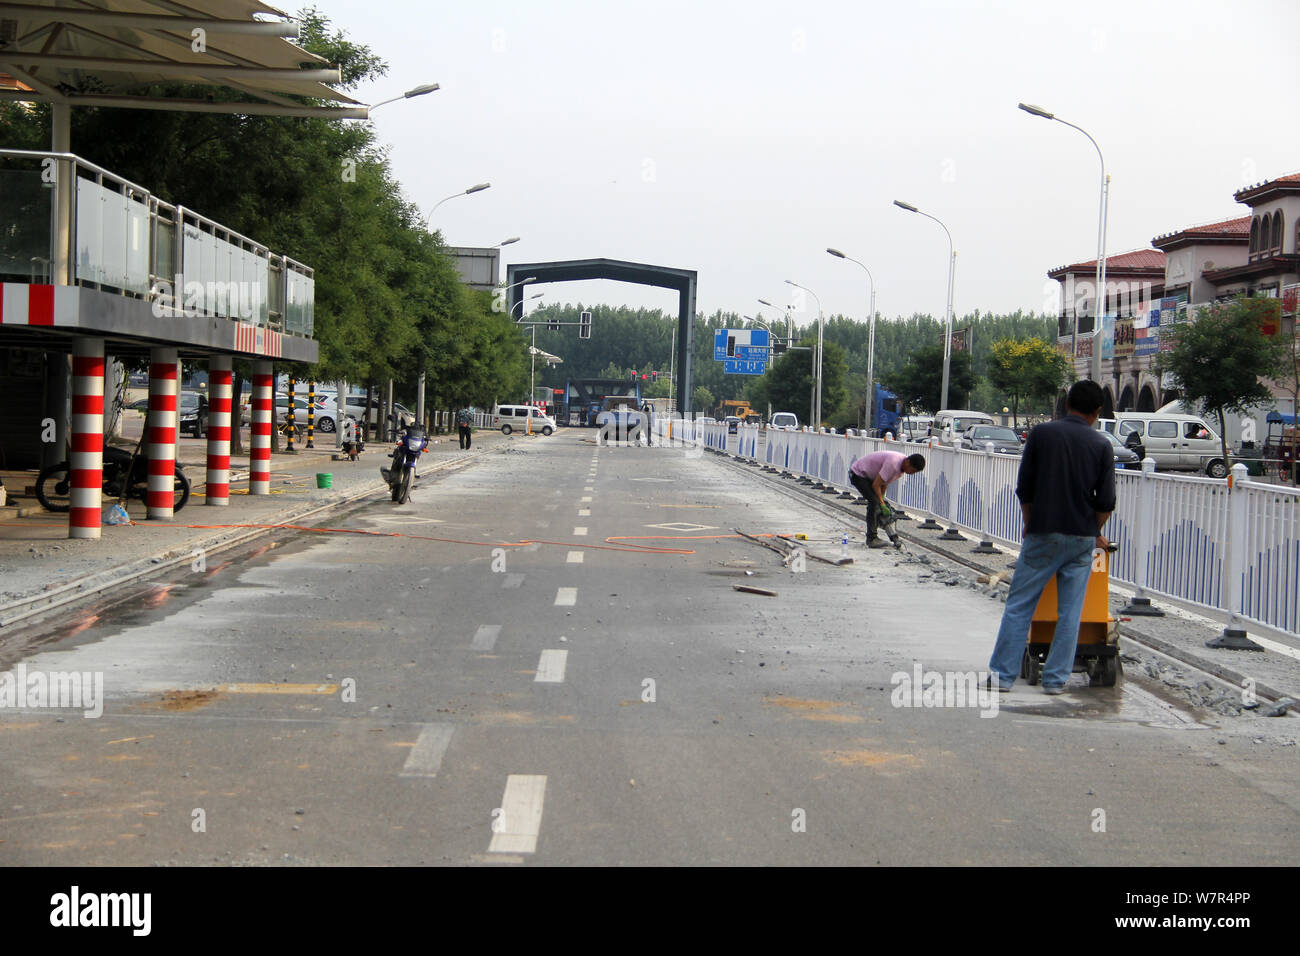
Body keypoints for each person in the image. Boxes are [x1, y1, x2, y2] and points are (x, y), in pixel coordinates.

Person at [986, 380, 1116, 695]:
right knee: (1070, 611)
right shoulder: (1101, 446)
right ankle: (1055, 681)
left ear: (1066, 403)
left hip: (1043, 532)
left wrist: (1030, 523)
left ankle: (1002, 677)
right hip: (1081, 539)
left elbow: (1025, 488)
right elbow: (1106, 501)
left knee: (1020, 604)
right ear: (1097, 412)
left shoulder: (1042, 435)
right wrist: (1095, 531)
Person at [848, 451, 926, 548]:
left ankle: (890, 536)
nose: (912, 473)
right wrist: (880, 503)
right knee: (875, 503)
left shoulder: (901, 469)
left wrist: (883, 501)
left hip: (869, 477)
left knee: (881, 505)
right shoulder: (893, 464)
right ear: (908, 462)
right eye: (913, 470)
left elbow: (884, 484)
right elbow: (876, 485)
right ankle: (872, 539)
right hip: (858, 473)